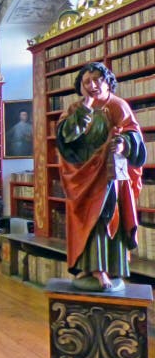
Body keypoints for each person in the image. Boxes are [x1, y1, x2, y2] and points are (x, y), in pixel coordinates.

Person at [56, 62, 146, 291]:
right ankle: (88, 266)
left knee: (105, 218)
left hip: (109, 174)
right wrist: (85, 110)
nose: (93, 85)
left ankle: (105, 269)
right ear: (81, 86)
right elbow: (65, 138)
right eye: (87, 82)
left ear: (107, 82)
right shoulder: (75, 108)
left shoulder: (117, 105)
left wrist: (122, 145)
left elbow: (133, 136)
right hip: (83, 176)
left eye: (97, 80)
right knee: (85, 220)